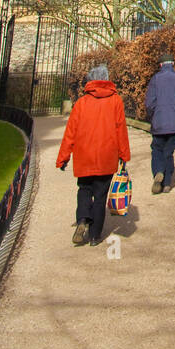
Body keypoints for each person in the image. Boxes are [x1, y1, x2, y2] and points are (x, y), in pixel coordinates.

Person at [56, 64, 130, 248]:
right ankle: (95, 236)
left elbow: (70, 132)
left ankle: (82, 220)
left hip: (85, 155)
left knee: (84, 189)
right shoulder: (115, 100)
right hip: (106, 155)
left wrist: (63, 157)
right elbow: (120, 129)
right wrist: (124, 155)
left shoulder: (82, 102)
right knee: (100, 195)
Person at [144, 52, 175, 194]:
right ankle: (167, 183)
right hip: (174, 122)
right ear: (173, 64)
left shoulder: (155, 79)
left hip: (159, 122)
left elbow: (149, 103)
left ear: (160, 65)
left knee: (157, 149)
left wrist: (153, 116)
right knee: (168, 152)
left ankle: (158, 171)